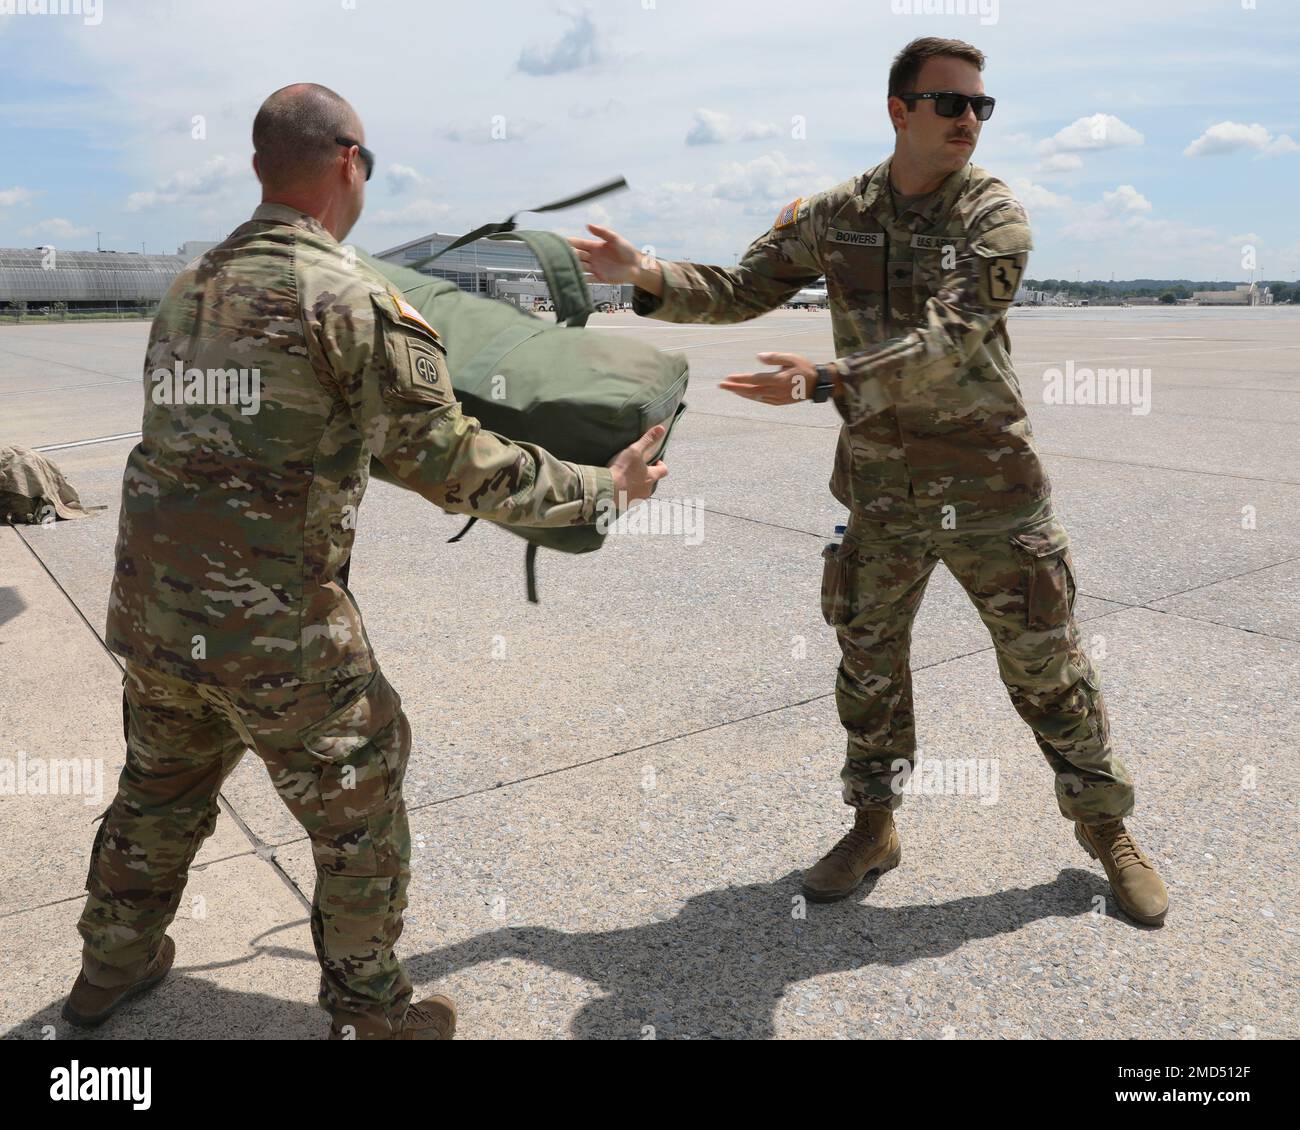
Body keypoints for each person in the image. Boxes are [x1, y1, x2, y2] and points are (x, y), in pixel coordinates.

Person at [65, 82, 668, 1040]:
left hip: (157, 620)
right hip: (278, 635)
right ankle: (370, 1013)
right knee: (360, 810)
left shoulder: (190, 287)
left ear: (262, 167)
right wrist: (604, 490)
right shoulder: (347, 295)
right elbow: (454, 462)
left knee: (158, 790)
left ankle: (109, 969)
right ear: (348, 162)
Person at [570, 38, 1167, 926]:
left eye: (980, 106)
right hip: (881, 491)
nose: (970, 120)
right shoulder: (835, 212)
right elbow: (741, 286)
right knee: (869, 663)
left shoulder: (992, 214)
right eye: (950, 103)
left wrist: (825, 380)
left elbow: (954, 332)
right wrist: (646, 274)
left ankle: (1109, 832)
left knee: (1046, 666)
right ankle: (874, 825)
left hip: (991, 487)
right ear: (900, 110)